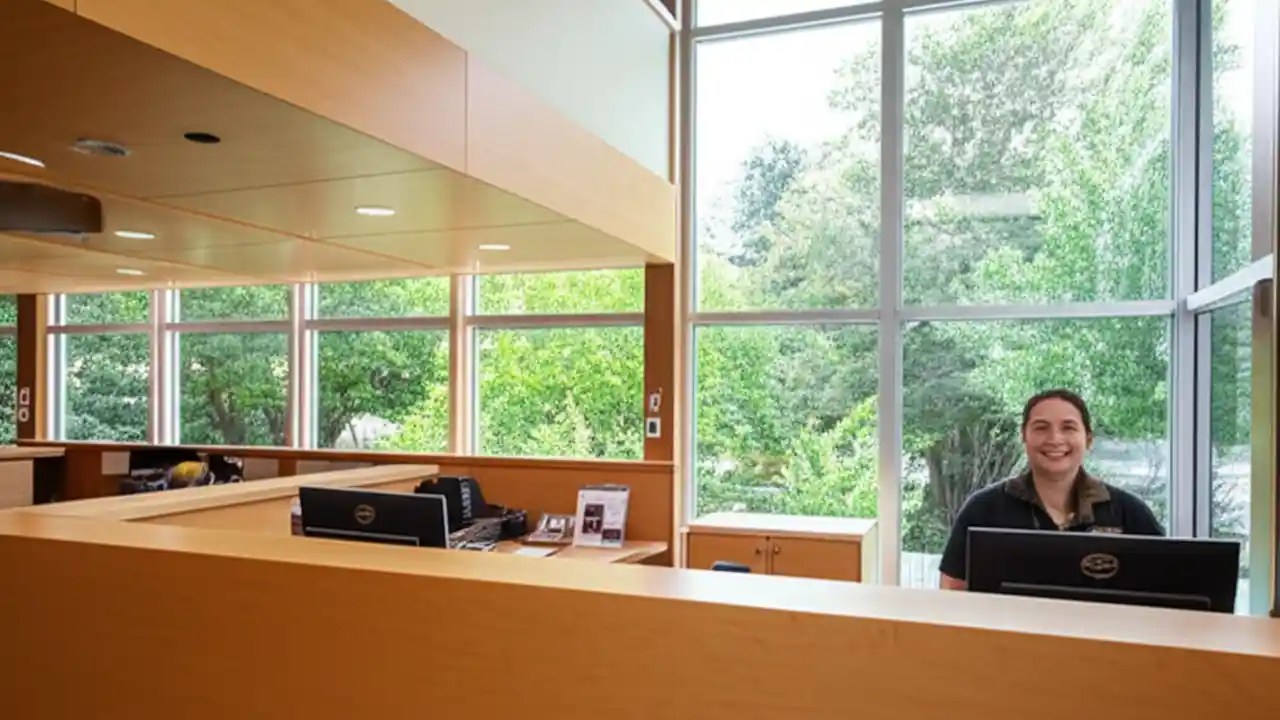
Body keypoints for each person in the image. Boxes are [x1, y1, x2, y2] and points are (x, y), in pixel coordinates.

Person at [938, 388, 1164, 590]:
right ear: (1024, 437)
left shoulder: (1129, 513)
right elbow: (952, 590)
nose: (1055, 439)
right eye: (1041, 428)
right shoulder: (983, 510)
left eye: (1068, 427)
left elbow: (1169, 589)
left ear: (1088, 439)